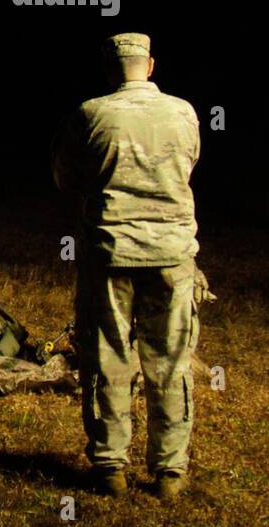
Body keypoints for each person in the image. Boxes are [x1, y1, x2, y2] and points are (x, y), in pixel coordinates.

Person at [52, 33, 202, 499]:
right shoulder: (184, 112)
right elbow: (189, 164)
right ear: (150, 65)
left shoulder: (92, 113)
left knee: (108, 358)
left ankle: (110, 466)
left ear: (108, 68)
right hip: (172, 255)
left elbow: (66, 178)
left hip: (110, 253)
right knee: (172, 361)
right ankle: (170, 472)